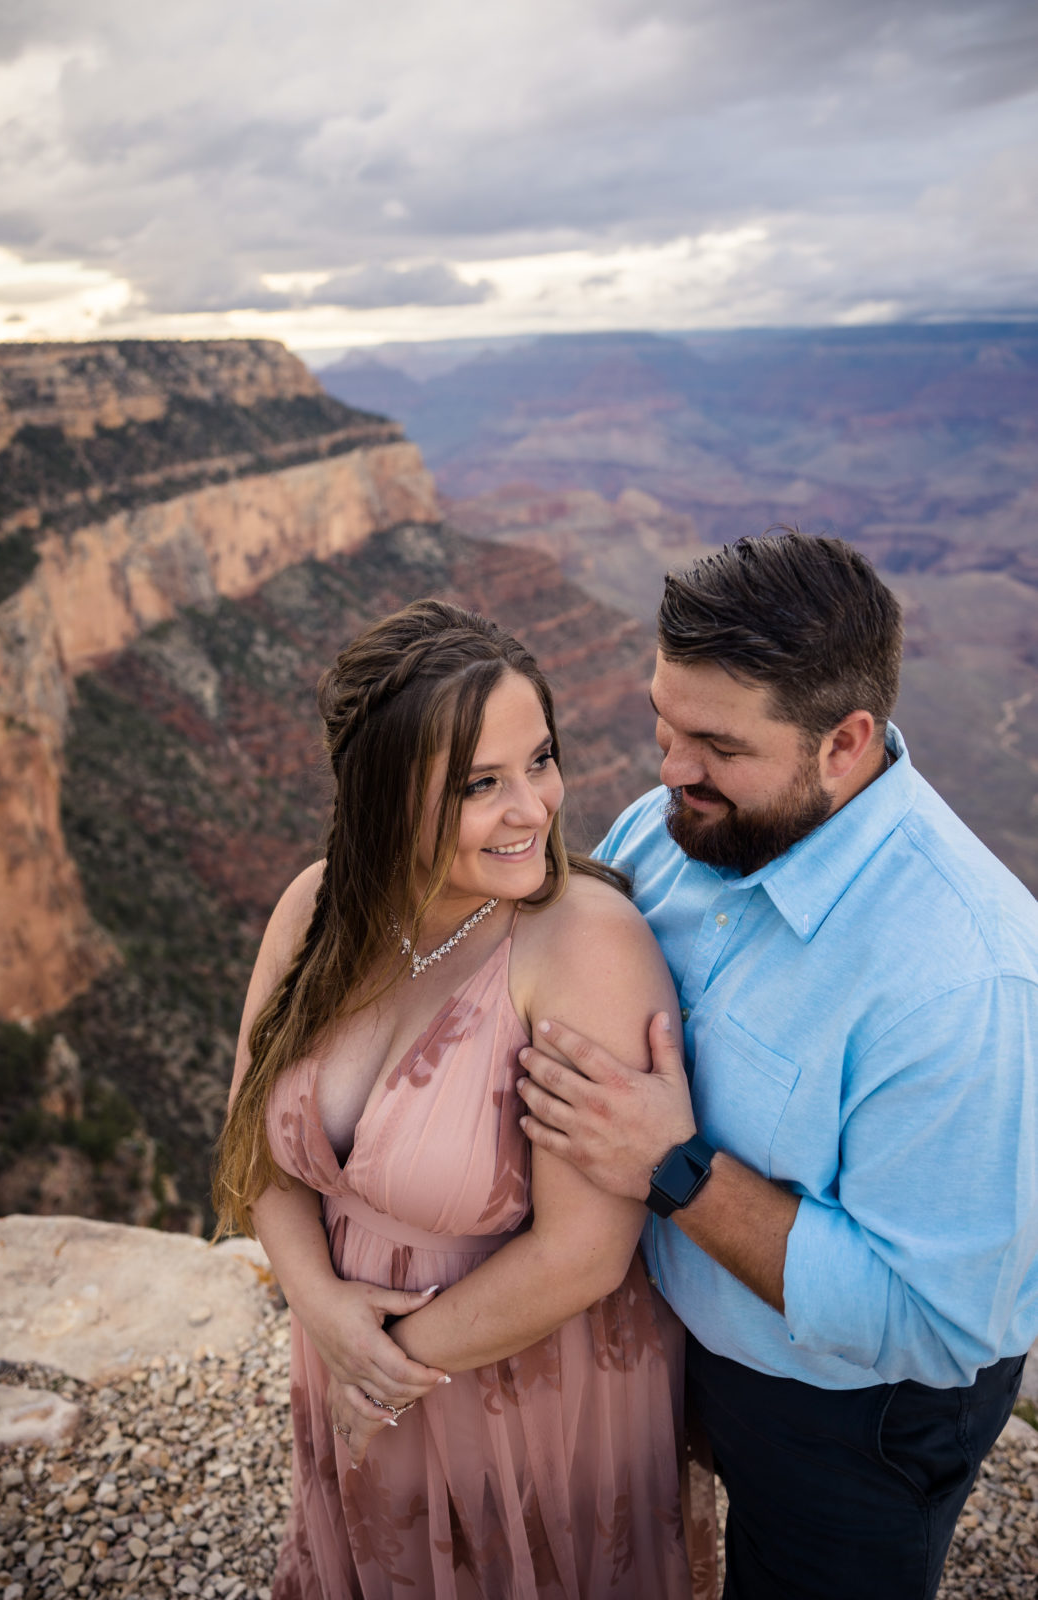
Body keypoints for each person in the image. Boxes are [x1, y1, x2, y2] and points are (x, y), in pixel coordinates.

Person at [516, 530, 1038, 1600]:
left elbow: (937, 1323)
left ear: (844, 742)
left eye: (712, 744)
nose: (668, 770)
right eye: (661, 725)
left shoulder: (962, 982)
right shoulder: (671, 830)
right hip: (671, 1341)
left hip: (848, 1417)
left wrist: (673, 1167)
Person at [213, 600, 714, 1600]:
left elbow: (584, 1252)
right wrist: (324, 1314)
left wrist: (388, 1359)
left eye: (539, 760)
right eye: (479, 784)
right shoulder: (313, 911)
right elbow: (254, 1144)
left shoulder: (582, 945)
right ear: (381, 795)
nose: (531, 808)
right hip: (355, 1365)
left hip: (527, 1389)